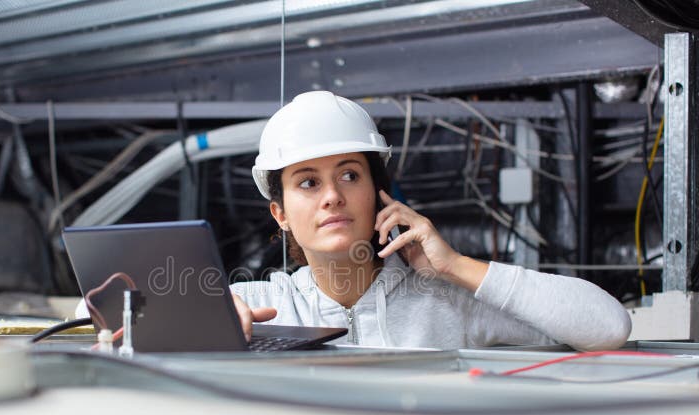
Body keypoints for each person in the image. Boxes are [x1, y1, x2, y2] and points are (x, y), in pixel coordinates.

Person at [230, 91, 631, 350]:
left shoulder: (444, 301)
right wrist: (207, 323)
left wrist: (456, 267)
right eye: (309, 182)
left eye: (350, 175)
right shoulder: (261, 308)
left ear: (378, 194)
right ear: (280, 214)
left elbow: (608, 327)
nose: (333, 195)